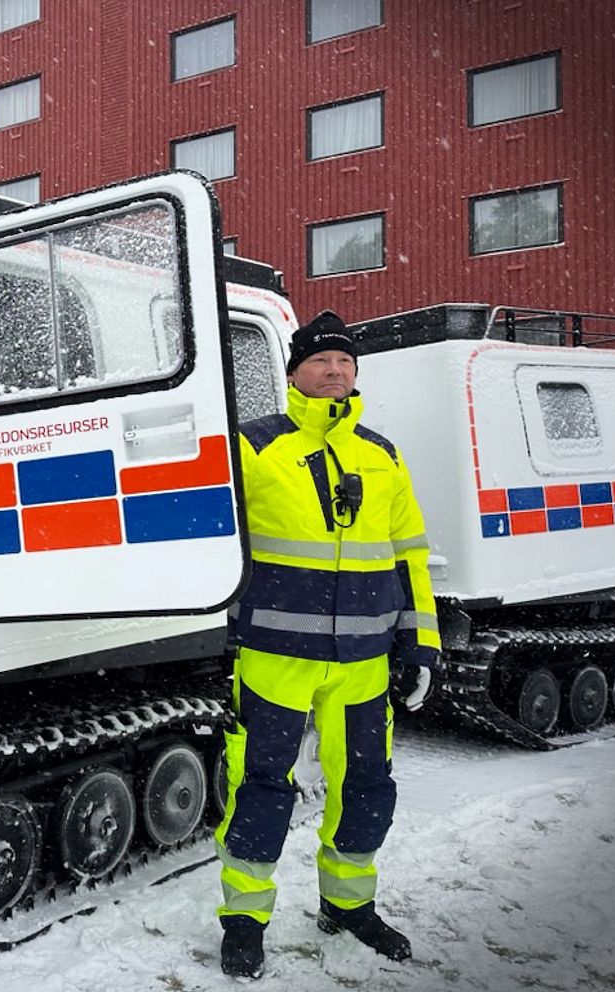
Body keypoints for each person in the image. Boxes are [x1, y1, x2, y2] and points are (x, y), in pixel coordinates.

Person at [215, 309, 441, 980]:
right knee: (260, 791)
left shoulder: (383, 454)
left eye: (345, 362)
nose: (335, 371)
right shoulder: (252, 448)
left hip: (364, 666)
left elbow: (411, 558)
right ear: (294, 373)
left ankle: (348, 906)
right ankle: (244, 922)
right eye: (321, 361)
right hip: (271, 659)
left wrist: (421, 644)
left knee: (367, 787)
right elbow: (215, 546)